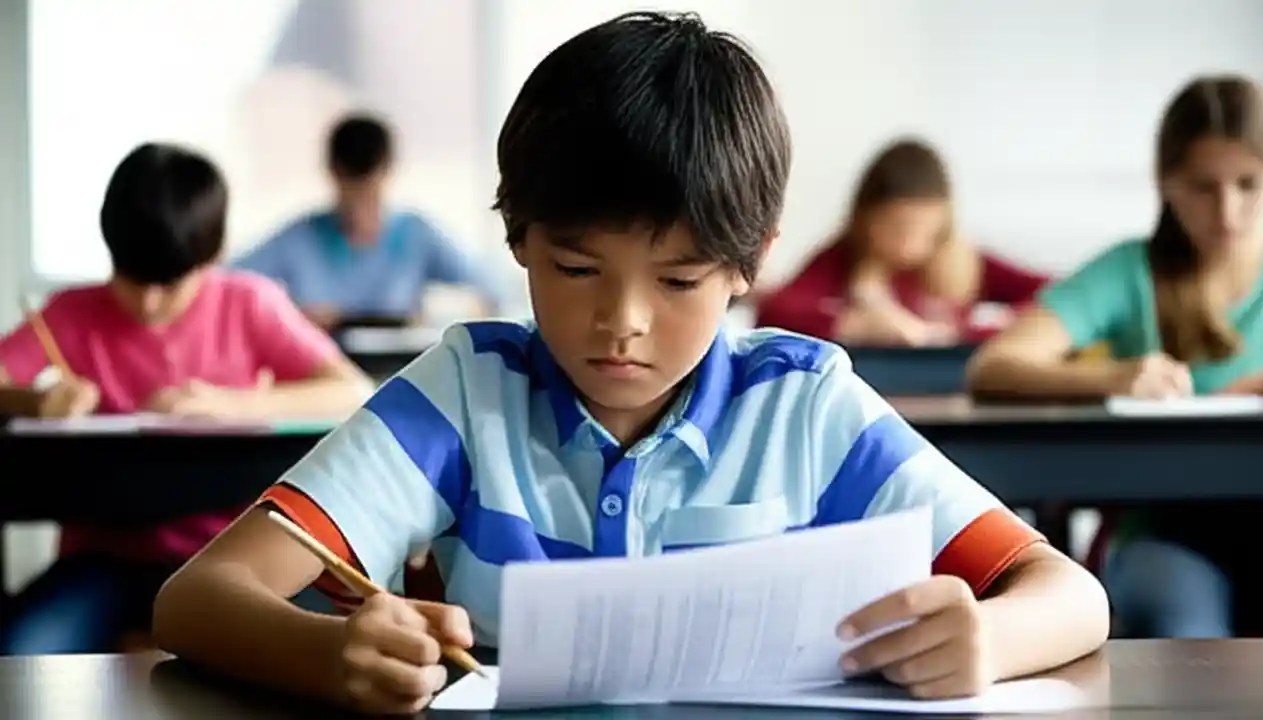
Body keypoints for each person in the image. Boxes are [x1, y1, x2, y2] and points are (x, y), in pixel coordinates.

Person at [153, 12, 1108, 714]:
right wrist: (332, 655)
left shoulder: (807, 407)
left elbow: (1070, 595)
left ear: (751, 262)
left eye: (681, 279)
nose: (622, 323)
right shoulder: (466, 394)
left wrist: (986, 638)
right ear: (518, 239)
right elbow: (198, 600)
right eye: (575, 268)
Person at [0, 142, 372, 654]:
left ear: (209, 256)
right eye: (132, 280)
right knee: (20, 652)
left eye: (170, 283)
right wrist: (31, 402)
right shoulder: (71, 312)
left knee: (323, 653)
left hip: (228, 558)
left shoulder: (247, 303)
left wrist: (231, 404)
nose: (149, 302)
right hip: (102, 563)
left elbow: (351, 389)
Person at [966, 75, 1263, 637]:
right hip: (1164, 535)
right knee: (1187, 635)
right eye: (1203, 187)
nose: (1227, 211)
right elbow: (994, 365)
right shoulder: (1129, 271)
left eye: (1249, 184)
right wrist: (1116, 376)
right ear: (1167, 185)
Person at [755, 138, 1049, 346]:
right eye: (897, 229)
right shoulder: (841, 259)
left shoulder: (966, 262)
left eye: (926, 231)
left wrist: (955, 334)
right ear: (866, 220)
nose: (910, 245)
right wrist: (854, 324)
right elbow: (775, 312)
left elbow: (1056, 299)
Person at [233, 113, 504, 329]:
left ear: (389, 173)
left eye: (370, 196)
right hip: (324, 374)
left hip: (402, 371)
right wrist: (286, 314)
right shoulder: (299, 239)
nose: (360, 213)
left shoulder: (417, 235)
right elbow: (226, 283)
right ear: (332, 175)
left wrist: (440, 315)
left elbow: (495, 287)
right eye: (350, 197)